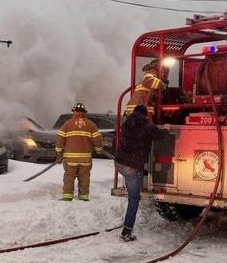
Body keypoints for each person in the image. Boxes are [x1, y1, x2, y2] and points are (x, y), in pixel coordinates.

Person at [114, 104, 162, 241]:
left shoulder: (126, 123)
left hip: (119, 163)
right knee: (134, 199)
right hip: (132, 166)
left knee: (132, 182)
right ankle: (127, 231)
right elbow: (159, 136)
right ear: (145, 114)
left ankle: (138, 177)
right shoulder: (147, 125)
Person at [55, 102, 103, 201]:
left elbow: (60, 138)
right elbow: (97, 139)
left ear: (74, 112)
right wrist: (99, 149)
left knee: (69, 176)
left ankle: (67, 197)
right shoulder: (91, 124)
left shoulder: (67, 124)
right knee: (84, 177)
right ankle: (83, 197)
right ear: (84, 113)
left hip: (70, 158)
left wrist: (59, 151)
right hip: (85, 158)